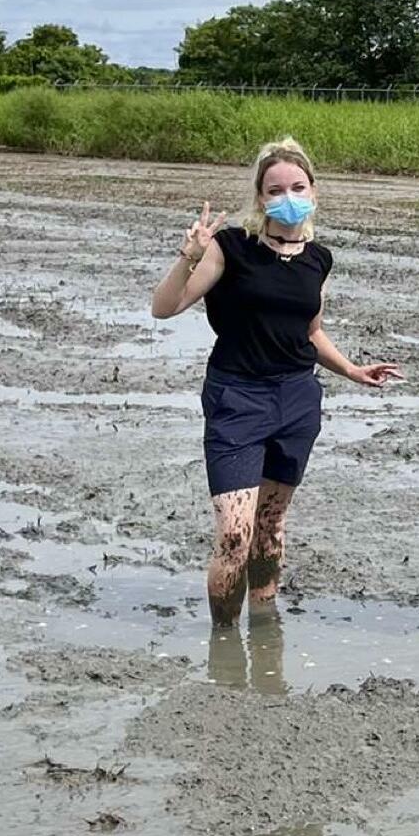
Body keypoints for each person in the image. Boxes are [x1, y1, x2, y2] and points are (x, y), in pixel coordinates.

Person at [150, 137, 400, 625]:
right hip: (237, 397)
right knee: (234, 534)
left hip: (297, 399)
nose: (288, 196)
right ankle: (224, 646)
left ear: (314, 192)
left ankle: (264, 628)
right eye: (275, 189)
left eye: (297, 186)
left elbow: (310, 330)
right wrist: (188, 257)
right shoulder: (230, 249)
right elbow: (165, 308)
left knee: (270, 525)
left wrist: (350, 368)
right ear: (260, 198)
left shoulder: (319, 259)